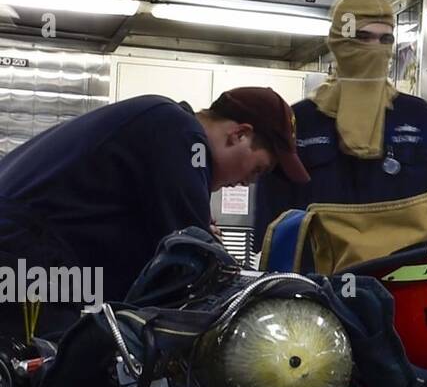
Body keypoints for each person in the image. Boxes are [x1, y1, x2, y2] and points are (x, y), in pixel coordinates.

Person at [0, 87, 307, 336]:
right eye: (257, 170)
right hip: (23, 260)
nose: (244, 183)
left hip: (33, 260)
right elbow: (192, 260)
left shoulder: (160, 123)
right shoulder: (179, 132)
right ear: (239, 134)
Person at [255, 0, 427, 234]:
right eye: (362, 37)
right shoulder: (299, 122)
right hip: (318, 268)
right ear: (339, 42)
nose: (375, 48)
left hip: (400, 268)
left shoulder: (419, 118)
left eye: (385, 39)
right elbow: (272, 219)